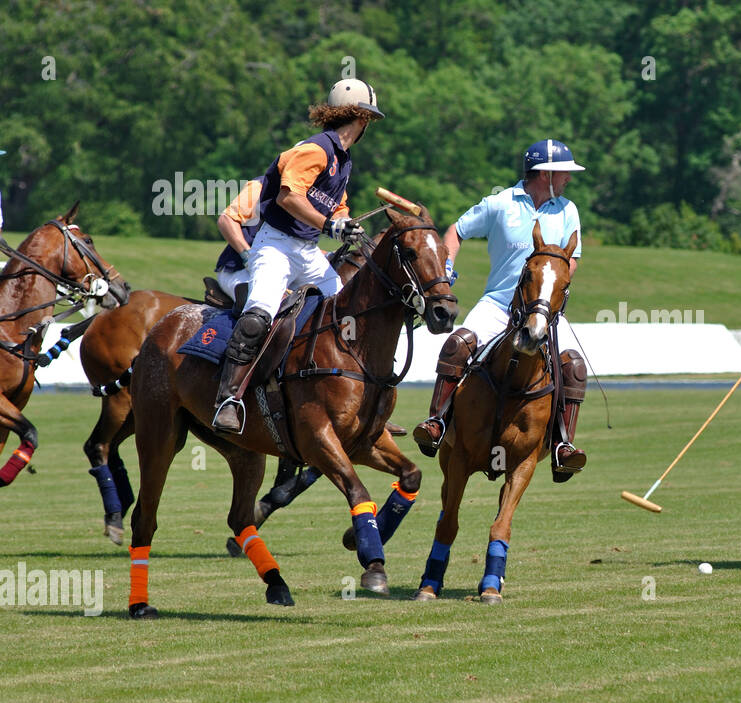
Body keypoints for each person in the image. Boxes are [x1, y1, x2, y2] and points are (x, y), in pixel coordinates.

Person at [212, 79, 381, 433]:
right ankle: (228, 399)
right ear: (362, 118)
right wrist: (330, 228)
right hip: (275, 246)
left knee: (348, 308)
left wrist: (347, 226)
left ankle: (362, 399)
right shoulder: (317, 150)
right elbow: (290, 198)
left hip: (306, 252)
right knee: (259, 314)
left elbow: (338, 209)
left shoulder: (343, 160)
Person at [412, 139, 588, 476]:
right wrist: (446, 270)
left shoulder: (568, 210)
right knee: (457, 344)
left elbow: (571, 260)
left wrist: (551, 296)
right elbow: (457, 231)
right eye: (564, 172)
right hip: (498, 304)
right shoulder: (500, 203)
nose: (569, 178)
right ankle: (436, 423)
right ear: (546, 174)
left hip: (543, 311)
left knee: (574, 366)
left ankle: (563, 445)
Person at [212, 177, 265, 307]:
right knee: (260, 305)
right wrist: (249, 258)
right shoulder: (260, 186)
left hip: (279, 272)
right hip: (239, 269)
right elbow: (226, 220)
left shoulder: (310, 194)